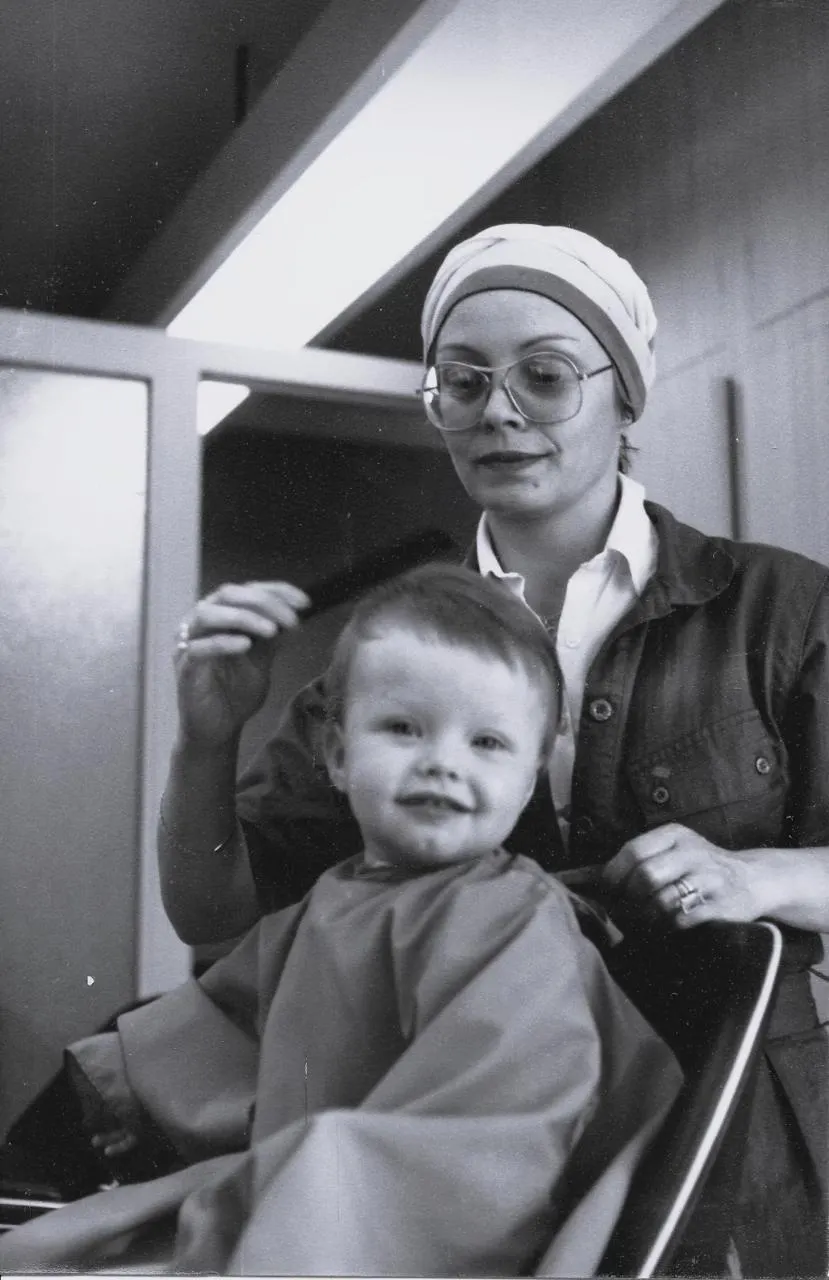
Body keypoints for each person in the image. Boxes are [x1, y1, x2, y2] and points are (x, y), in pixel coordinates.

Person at [156, 223, 829, 1277]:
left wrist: (753, 873)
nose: (498, 411)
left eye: (544, 376)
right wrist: (206, 738)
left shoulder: (777, 610)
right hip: (466, 1177)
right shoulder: (384, 648)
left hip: (736, 1156)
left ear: (625, 394)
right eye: (461, 383)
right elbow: (214, 913)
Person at [0, 566, 682, 1276]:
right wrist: (110, 1092)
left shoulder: (510, 919)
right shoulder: (337, 897)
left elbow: (494, 1141)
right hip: (309, 1193)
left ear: (531, 773)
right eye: (402, 728)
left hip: (410, 1230)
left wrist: (304, 1175)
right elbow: (222, 1028)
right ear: (335, 754)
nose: (442, 763)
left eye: (486, 743)